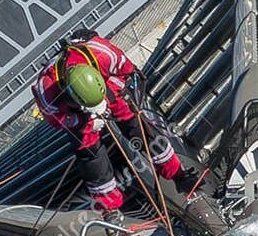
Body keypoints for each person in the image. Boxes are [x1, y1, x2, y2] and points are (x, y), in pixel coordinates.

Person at [31, 33, 197, 213]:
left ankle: (177, 173)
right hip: (80, 113)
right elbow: (60, 122)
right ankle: (109, 206)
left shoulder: (103, 54)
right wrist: (86, 121)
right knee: (89, 151)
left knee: (137, 125)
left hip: (108, 87)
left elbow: (126, 70)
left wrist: (113, 98)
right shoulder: (46, 91)